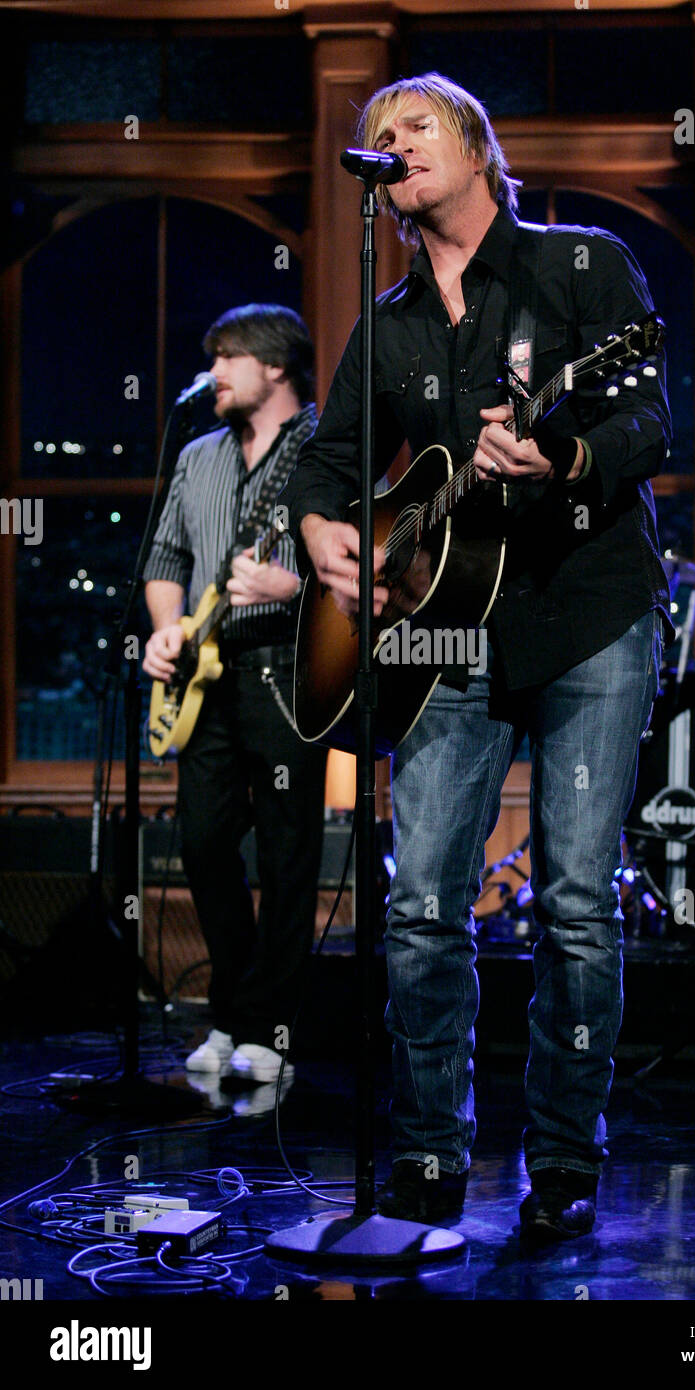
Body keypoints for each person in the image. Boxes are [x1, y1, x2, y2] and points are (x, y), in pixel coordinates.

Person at [280, 73, 672, 1241]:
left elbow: (648, 420)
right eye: (375, 139)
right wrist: (323, 531)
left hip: (588, 617)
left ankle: (560, 1160)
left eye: (415, 130)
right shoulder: (390, 321)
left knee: (569, 902)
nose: (392, 146)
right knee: (417, 906)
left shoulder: (579, 268)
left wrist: (560, 464)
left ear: (476, 150)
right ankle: (428, 1156)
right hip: (447, 633)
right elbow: (321, 464)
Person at [142, 304, 328, 1088]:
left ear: (276, 366)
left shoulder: (323, 449)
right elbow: (166, 555)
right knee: (206, 842)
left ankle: (271, 1026)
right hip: (205, 674)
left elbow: (378, 557)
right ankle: (232, 1011)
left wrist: (296, 583)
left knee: (289, 851)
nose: (212, 372)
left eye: (228, 357)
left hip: (287, 664)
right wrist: (164, 629)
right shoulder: (196, 455)